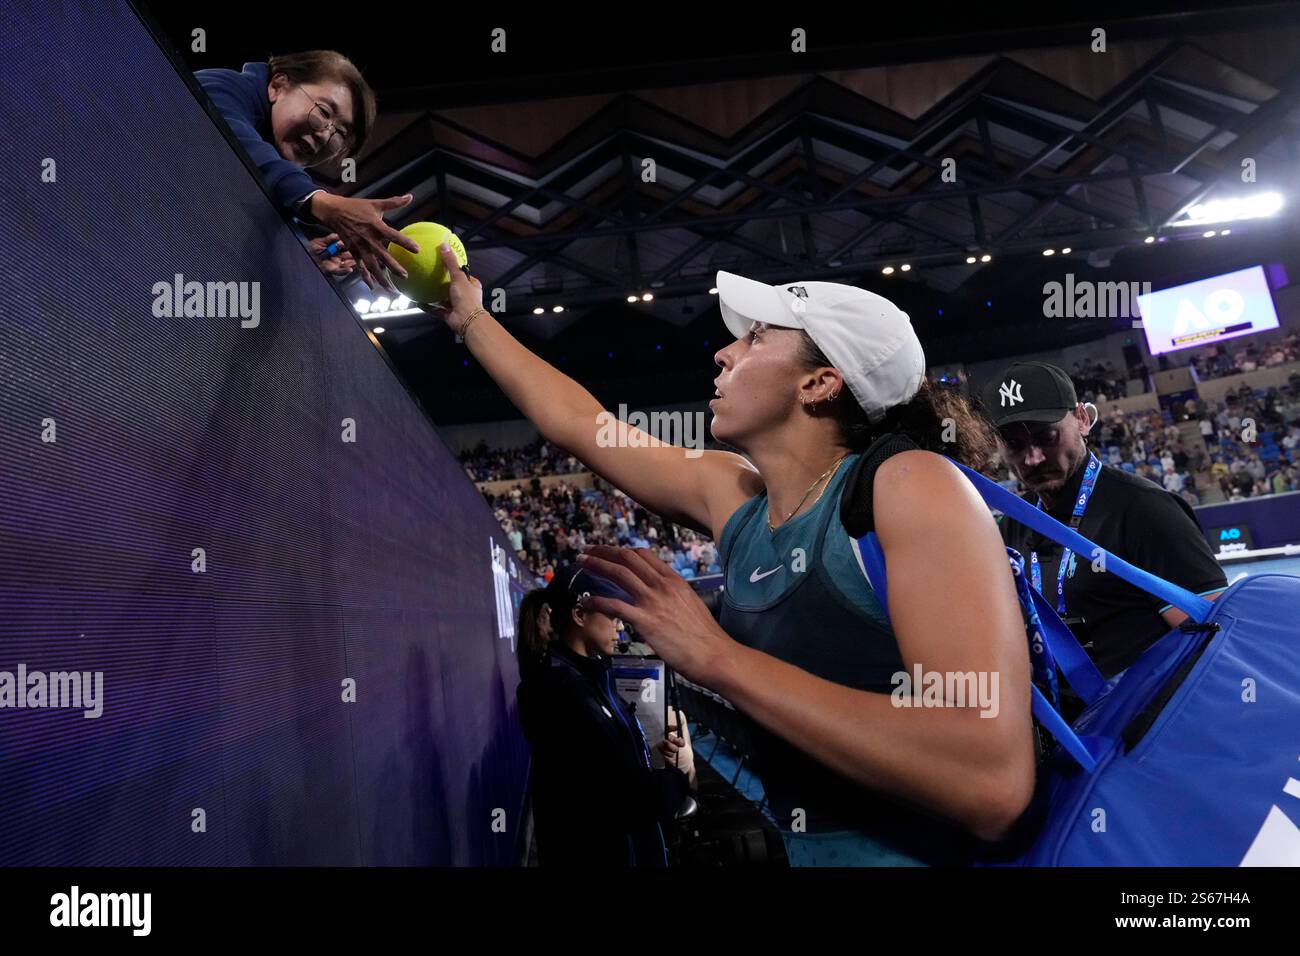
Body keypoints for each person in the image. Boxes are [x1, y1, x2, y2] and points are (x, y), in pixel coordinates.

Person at [426, 247, 1035, 866]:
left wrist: (719, 659)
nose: (724, 351)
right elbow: (581, 422)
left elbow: (991, 780)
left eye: (757, 338)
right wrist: (472, 317)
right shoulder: (734, 494)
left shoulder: (910, 483)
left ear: (819, 382)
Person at [979, 362, 1227, 693]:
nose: (1033, 458)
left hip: (1143, 732)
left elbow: (1215, 643)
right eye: (1014, 444)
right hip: (1066, 736)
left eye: (1046, 437)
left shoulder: (1145, 508)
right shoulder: (1011, 527)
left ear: (1082, 420)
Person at [194, 51, 419, 292]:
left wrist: (298, 257)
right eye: (324, 112)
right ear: (278, 86)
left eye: (341, 134)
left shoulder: (277, 186)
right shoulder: (221, 87)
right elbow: (231, 140)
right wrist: (325, 204)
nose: (325, 134)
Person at [516, 565, 693, 867]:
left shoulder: (590, 678)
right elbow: (624, 796)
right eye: (614, 616)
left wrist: (645, 752)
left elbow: (607, 765)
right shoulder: (559, 692)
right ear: (580, 615)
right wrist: (676, 781)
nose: (621, 627)